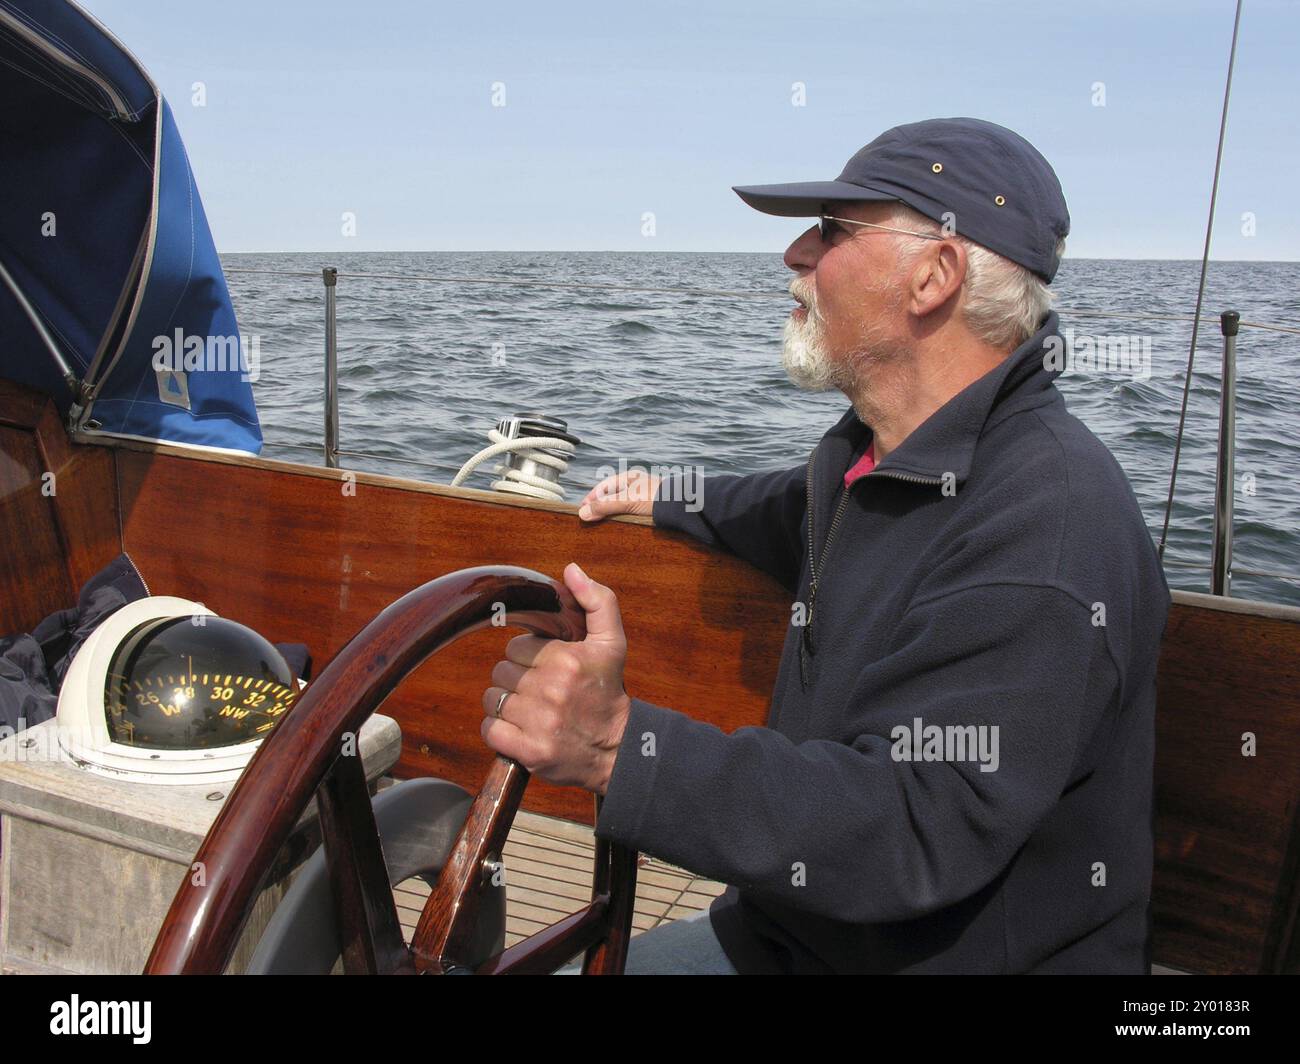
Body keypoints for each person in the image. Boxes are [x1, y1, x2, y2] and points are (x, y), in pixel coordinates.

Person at [480, 117, 1171, 974]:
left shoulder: (1050, 530)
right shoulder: (876, 455)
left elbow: (914, 823)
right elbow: (791, 508)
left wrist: (619, 745)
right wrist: (666, 495)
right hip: (796, 935)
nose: (795, 254)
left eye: (834, 230)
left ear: (935, 275)